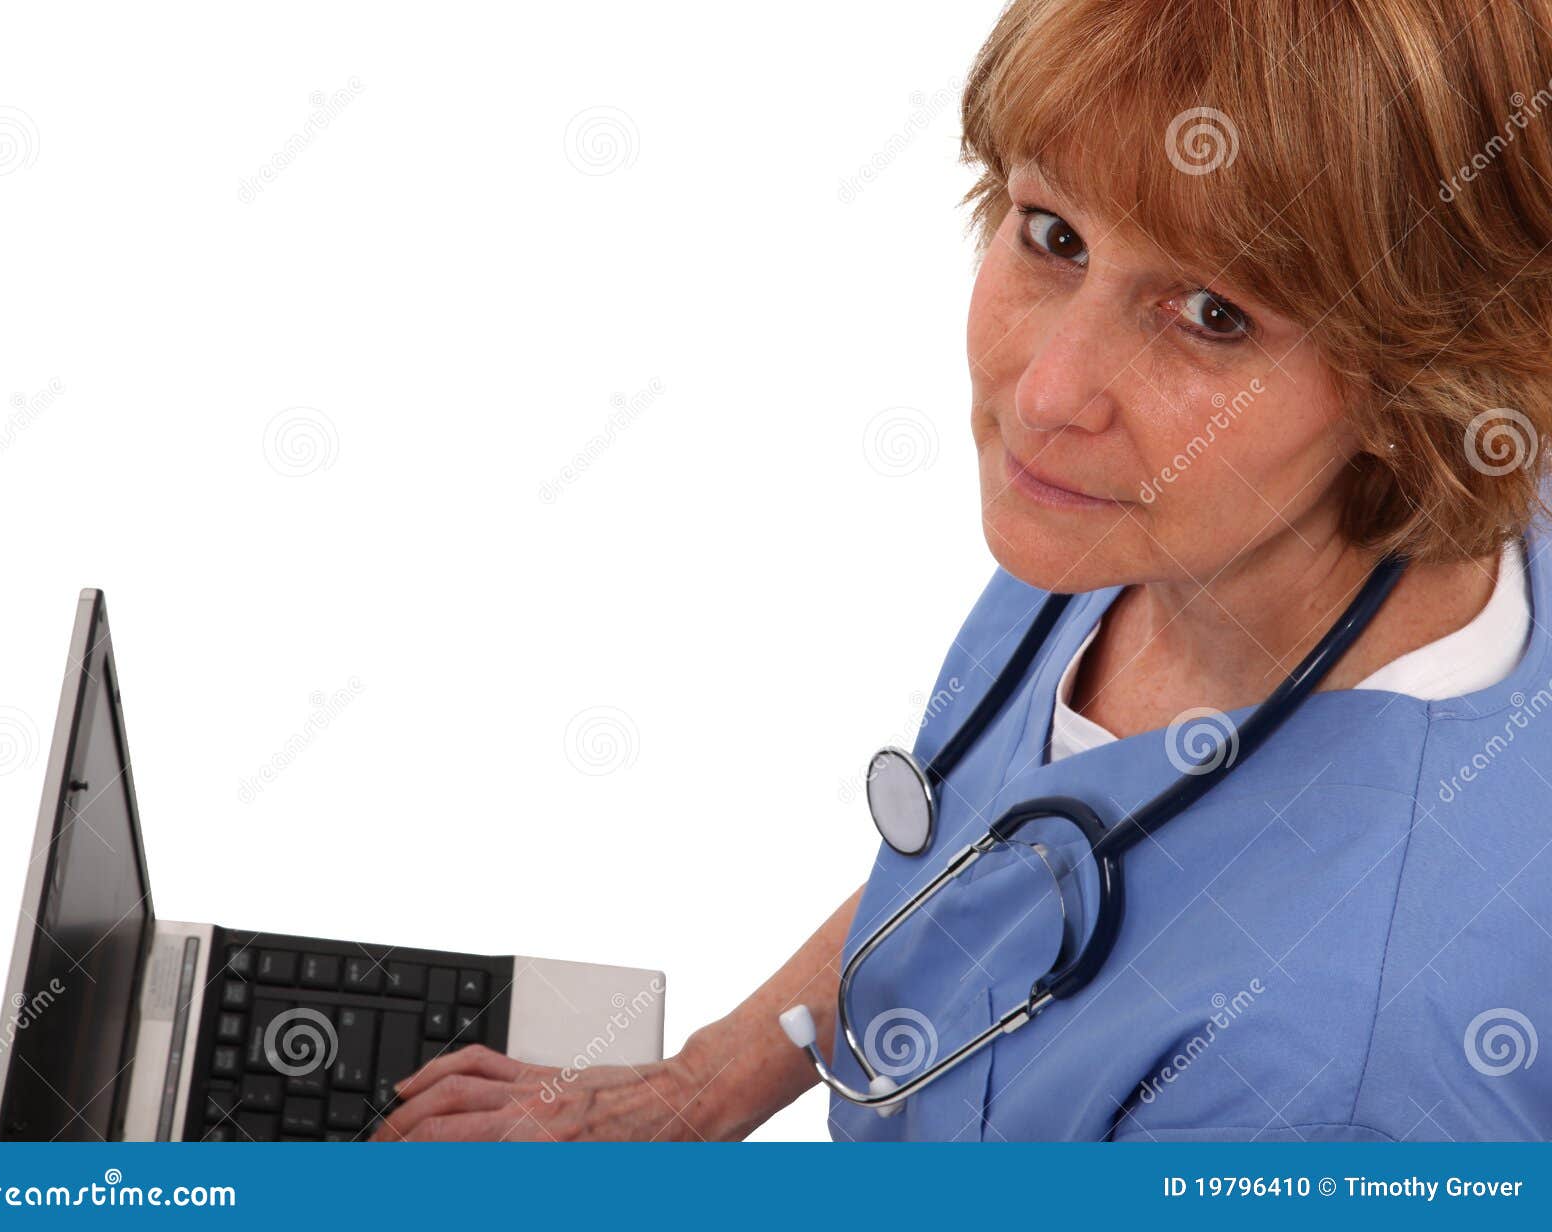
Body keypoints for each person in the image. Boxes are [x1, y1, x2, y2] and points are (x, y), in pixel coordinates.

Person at [374, 0, 1552, 1141]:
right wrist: (695, 1087)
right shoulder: (1163, 521)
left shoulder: (1330, 1089)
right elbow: (1000, 873)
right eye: (1055, 236)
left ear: (1424, 377)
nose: (1045, 393)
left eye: (1211, 313)